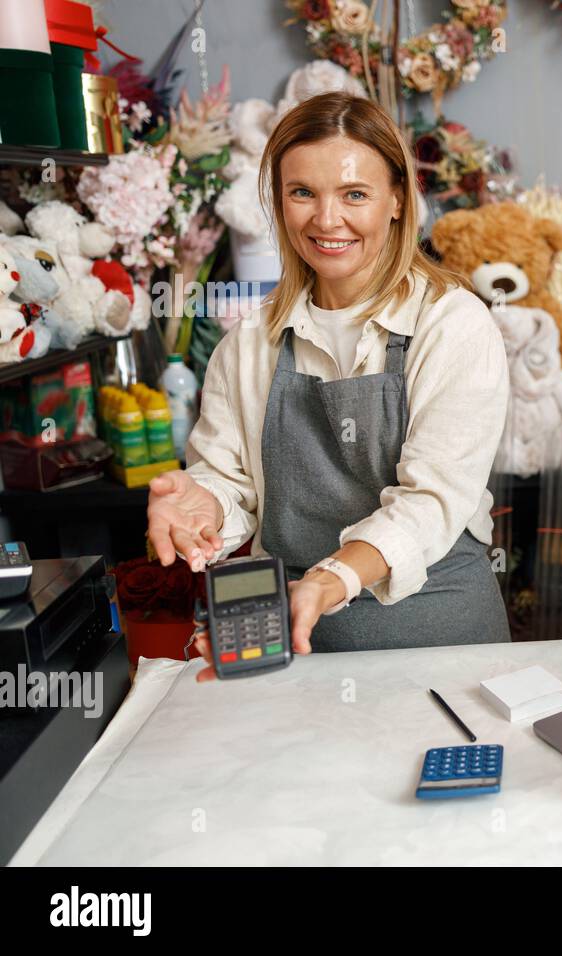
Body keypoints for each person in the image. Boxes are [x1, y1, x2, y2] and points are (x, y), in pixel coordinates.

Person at [146, 92, 510, 677]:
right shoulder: (249, 343)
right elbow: (230, 478)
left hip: (440, 641)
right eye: (302, 193)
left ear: (397, 200)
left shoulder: (452, 324)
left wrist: (331, 578)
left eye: (354, 194)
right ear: (278, 202)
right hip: (294, 637)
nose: (326, 219)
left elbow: (431, 502)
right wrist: (204, 503)